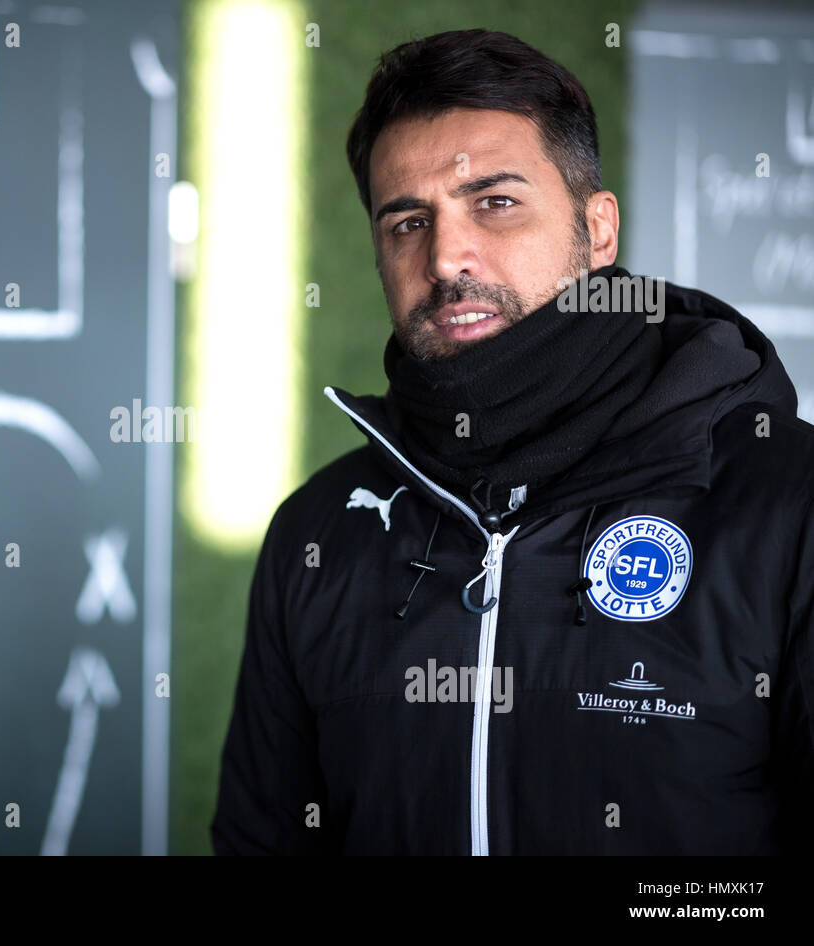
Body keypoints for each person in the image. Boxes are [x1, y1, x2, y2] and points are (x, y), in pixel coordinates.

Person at [210, 28, 814, 855]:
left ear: (598, 232)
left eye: (495, 202)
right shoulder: (320, 532)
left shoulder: (789, 499)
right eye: (407, 222)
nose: (448, 256)